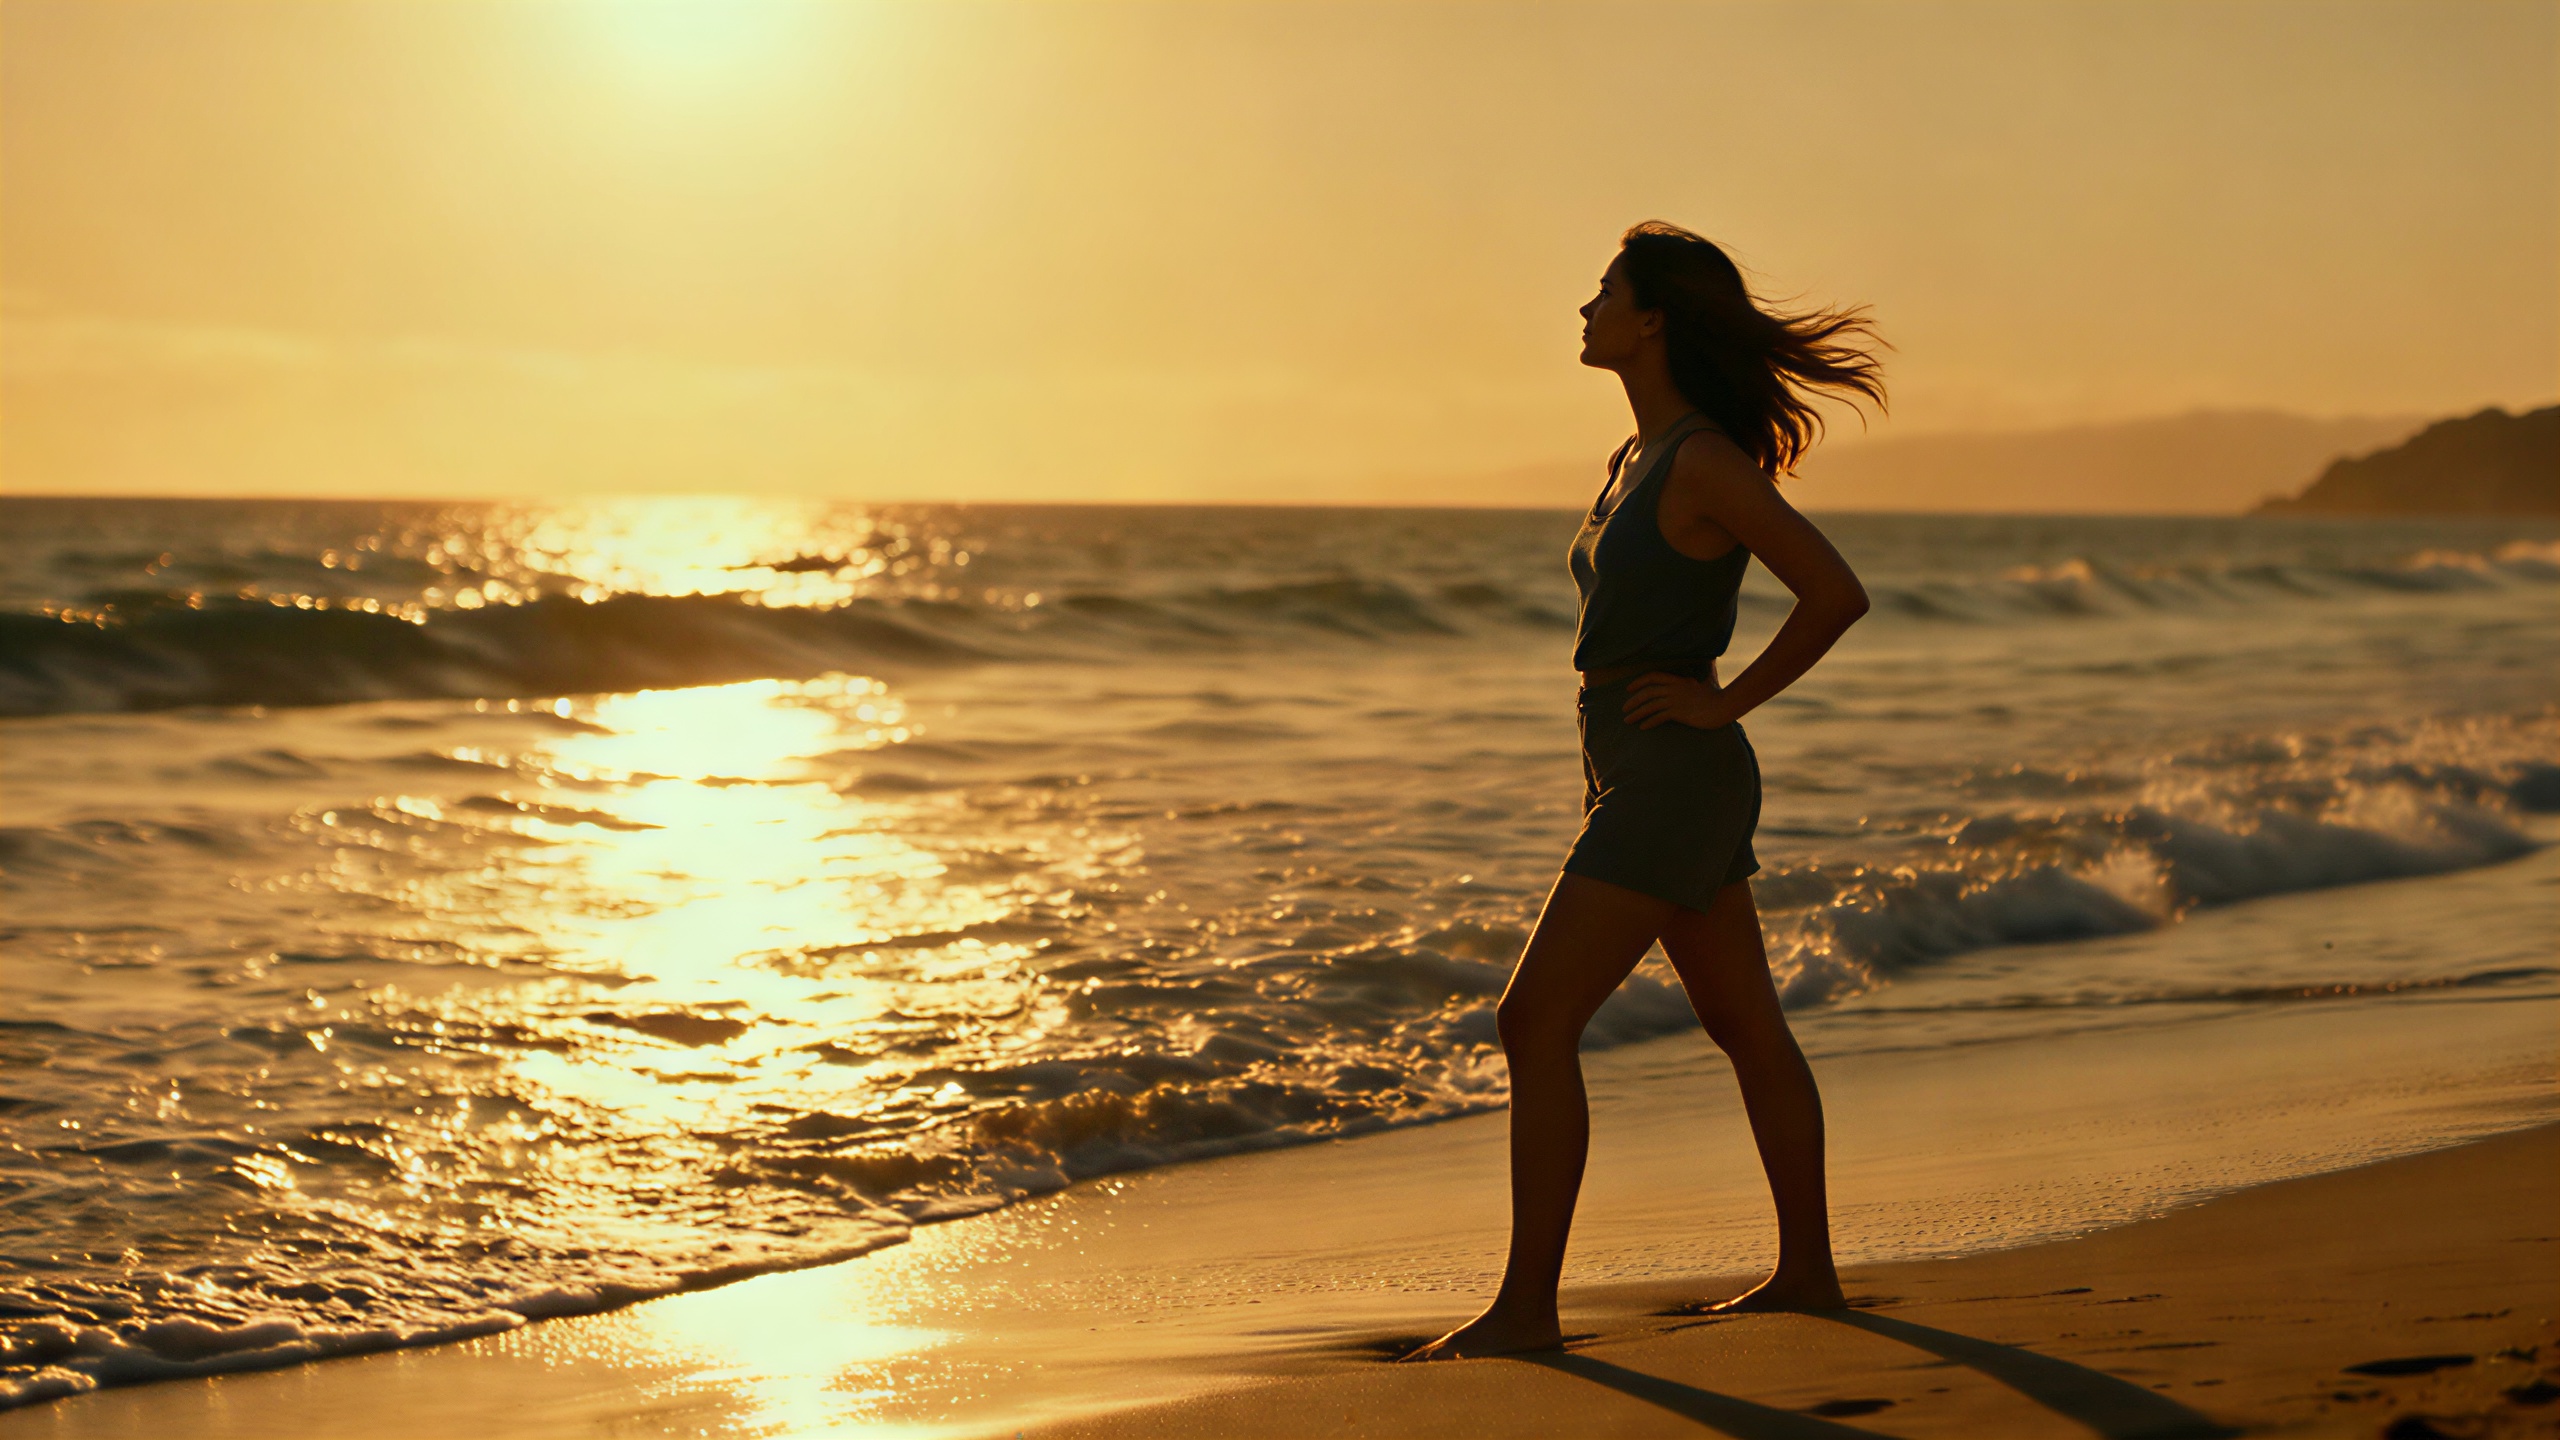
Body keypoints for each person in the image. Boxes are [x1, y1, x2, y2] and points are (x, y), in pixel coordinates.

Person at [1408, 221, 1885, 1360]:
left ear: (1654, 317)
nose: (1586, 309)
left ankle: (1526, 1313)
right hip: (1635, 766)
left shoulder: (1705, 460)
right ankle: (1809, 1276)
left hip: (1675, 774)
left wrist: (1724, 704)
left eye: (1605, 291)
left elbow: (1833, 592)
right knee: (1742, 1023)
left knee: (1532, 1020)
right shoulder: (1635, 458)